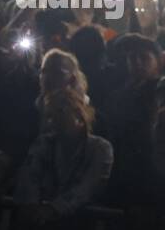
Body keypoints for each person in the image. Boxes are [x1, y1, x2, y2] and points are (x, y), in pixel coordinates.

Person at [14, 88, 114, 222]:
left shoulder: (100, 148)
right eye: (49, 114)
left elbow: (88, 188)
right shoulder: (43, 143)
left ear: (79, 114)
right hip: (39, 221)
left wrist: (54, 209)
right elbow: (29, 175)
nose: (54, 119)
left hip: (82, 223)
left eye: (61, 112)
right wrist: (32, 205)